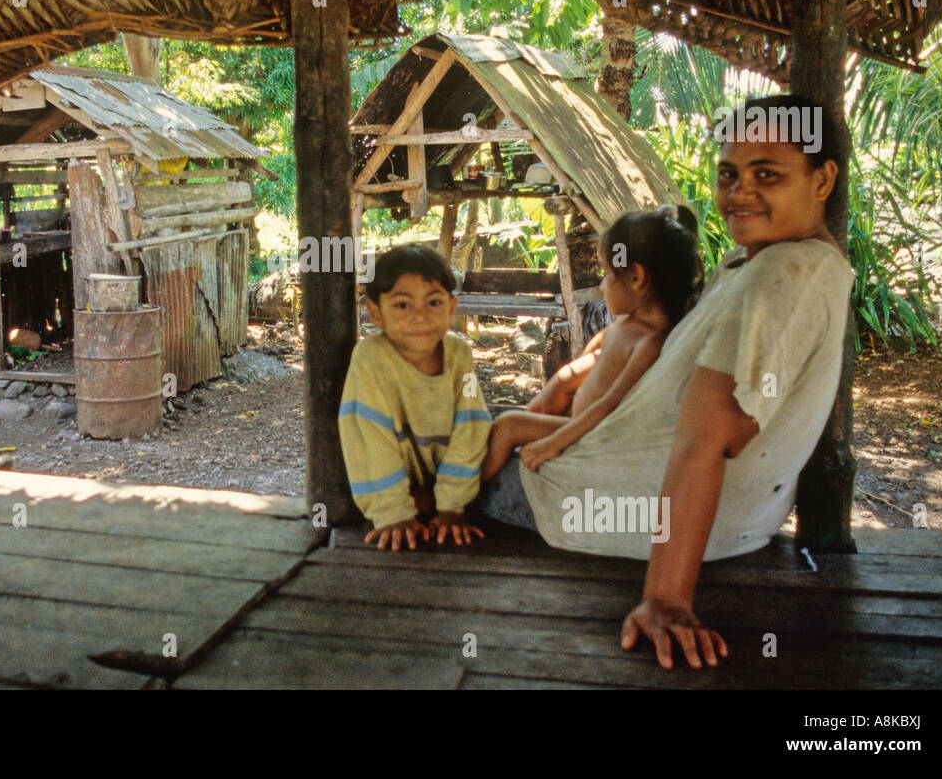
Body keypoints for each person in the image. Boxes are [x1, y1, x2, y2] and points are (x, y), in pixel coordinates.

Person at [472, 93, 854, 671]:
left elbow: (706, 439)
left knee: (430, 453)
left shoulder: (784, 276)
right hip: (679, 508)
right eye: (730, 173)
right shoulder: (763, 262)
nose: (740, 192)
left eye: (767, 174)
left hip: (591, 499)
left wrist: (667, 599)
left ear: (822, 179)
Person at [483, 204, 702, 479]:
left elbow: (610, 404)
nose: (602, 285)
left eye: (607, 274)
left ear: (636, 277)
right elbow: (587, 368)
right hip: (575, 421)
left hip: (591, 434)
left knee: (508, 425)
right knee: (512, 417)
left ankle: (459, 501)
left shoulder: (651, 342)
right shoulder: (627, 326)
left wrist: (552, 443)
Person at [338, 244, 492, 551]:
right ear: (375, 313)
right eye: (402, 305)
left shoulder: (460, 355)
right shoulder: (370, 358)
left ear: (451, 308)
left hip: (450, 481)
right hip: (393, 484)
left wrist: (451, 505)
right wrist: (392, 514)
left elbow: (470, 421)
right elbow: (369, 436)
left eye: (433, 302)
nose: (420, 316)